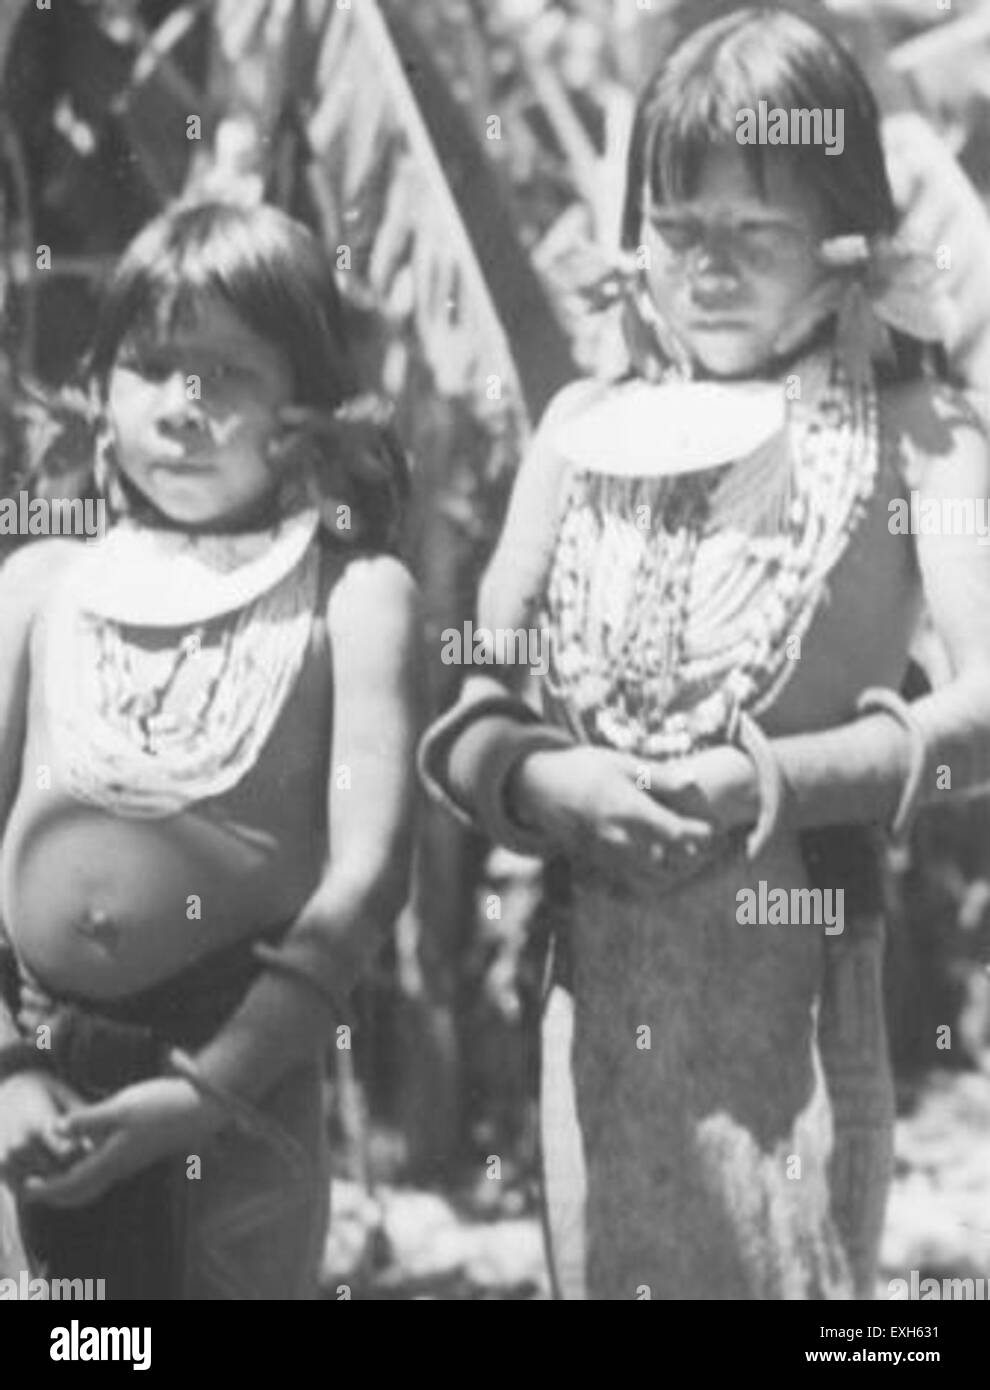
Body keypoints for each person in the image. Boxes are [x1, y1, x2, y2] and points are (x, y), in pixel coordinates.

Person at [420, 8, 990, 1299]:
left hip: (797, 987)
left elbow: (985, 710)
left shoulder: (924, 436)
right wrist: (543, 782)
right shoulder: (583, 426)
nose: (709, 267)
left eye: (757, 232)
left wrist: (773, 779)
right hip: (598, 995)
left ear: (848, 248)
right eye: (679, 229)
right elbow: (471, 700)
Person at [0, 200, 423, 1299]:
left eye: (228, 375)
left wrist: (206, 1092)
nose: (184, 409)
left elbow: (368, 877)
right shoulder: (40, 590)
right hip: (29, 1096)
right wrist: (7, 1069)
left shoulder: (354, 598)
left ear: (311, 410)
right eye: (152, 368)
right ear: (99, 396)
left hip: (242, 1096)